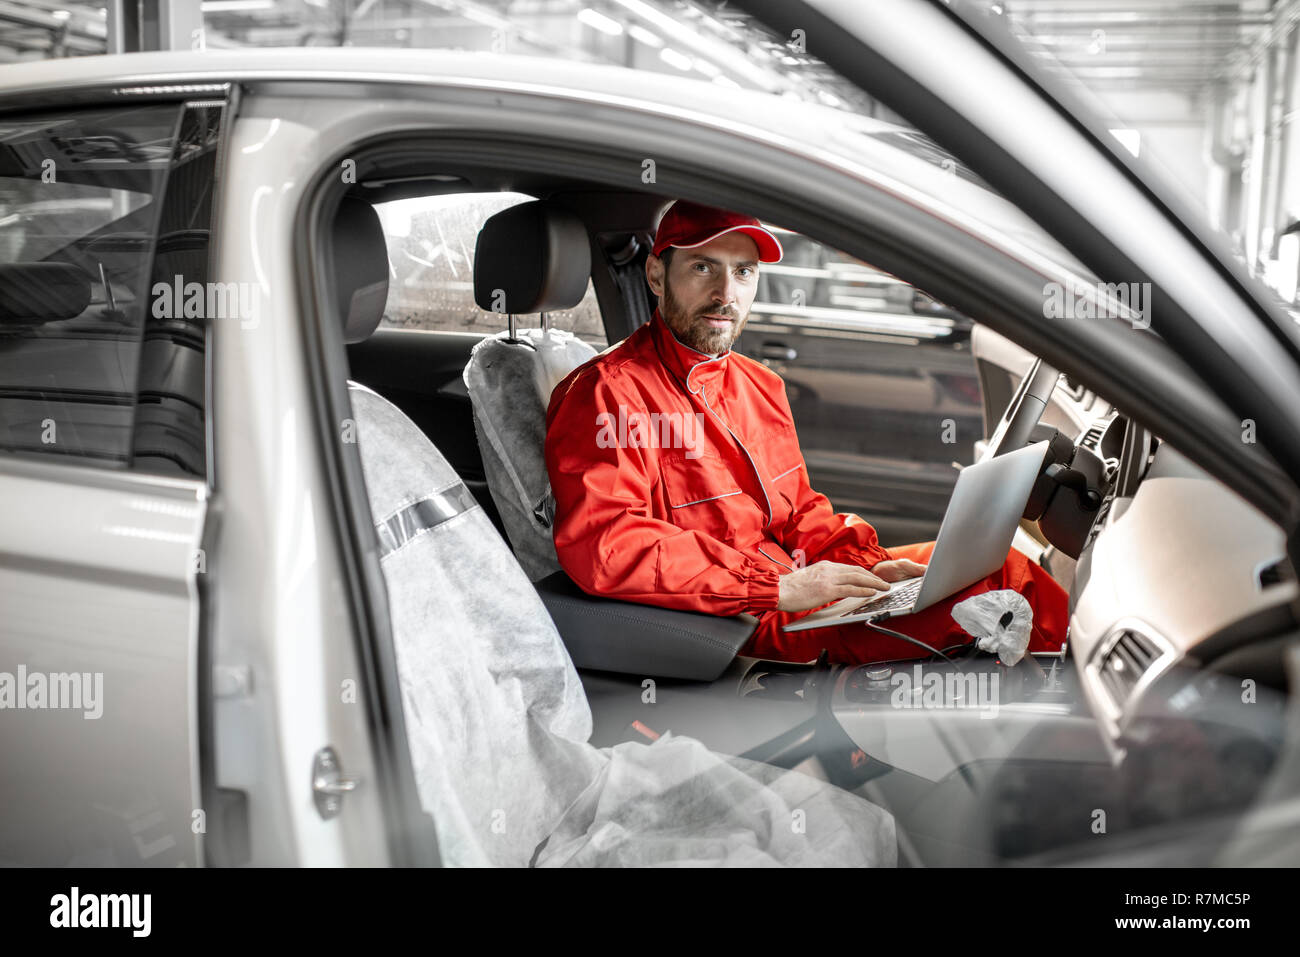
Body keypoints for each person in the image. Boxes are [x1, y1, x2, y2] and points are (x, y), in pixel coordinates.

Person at [543, 199, 1068, 664]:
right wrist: (777, 586)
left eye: (744, 273)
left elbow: (800, 514)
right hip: (741, 620)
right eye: (704, 267)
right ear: (657, 276)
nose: (726, 294)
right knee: (1007, 595)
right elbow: (607, 544)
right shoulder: (606, 394)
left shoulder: (757, 384)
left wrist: (867, 569)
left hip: (804, 589)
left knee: (1004, 565)